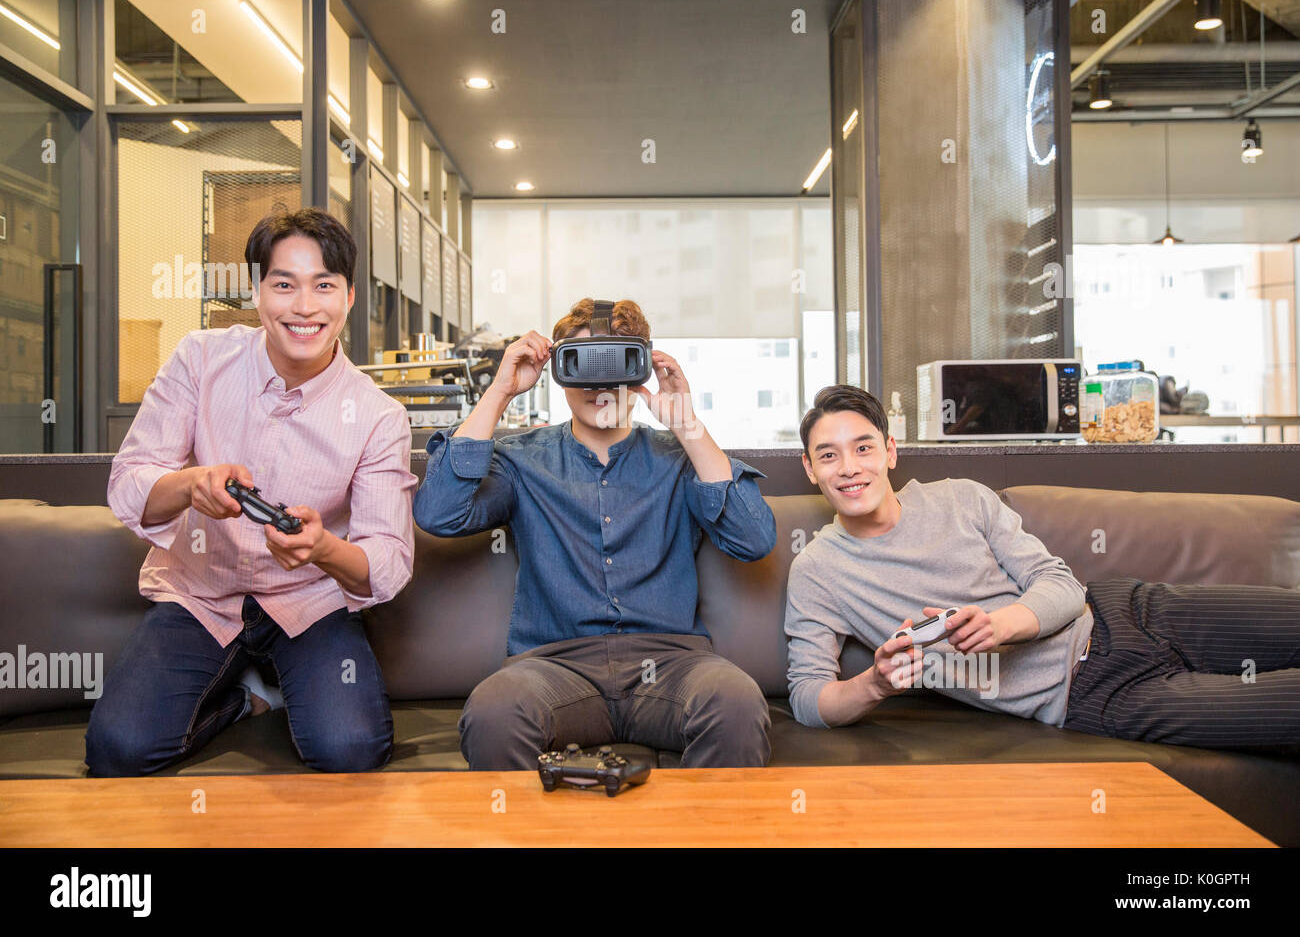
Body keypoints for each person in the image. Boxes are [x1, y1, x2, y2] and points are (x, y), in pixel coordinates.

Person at [784, 384, 1300, 751]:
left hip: (1131, 611)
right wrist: (875, 685)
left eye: (863, 448)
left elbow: (1062, 585)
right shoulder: (818, 572)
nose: (849, 468)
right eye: (828, 456)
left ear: (890, 452)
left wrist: (999, 626)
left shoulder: (963, 499)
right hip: (1094, 692)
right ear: (810, 468)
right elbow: (808, 697)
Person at [88, 208, 417, 776]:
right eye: (284, 284)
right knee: (118, 749)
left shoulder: (378, 416)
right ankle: (245, 700)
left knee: (349, 749)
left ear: (349, 297)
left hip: (310, 600)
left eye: (324, 286)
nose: (304, 307)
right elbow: (129, 482)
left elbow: (387, 560)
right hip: (200, 592)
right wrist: (190, 485)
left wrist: (322, 549)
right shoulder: (199, 359)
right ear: (257, 291)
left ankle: (269, 683)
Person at [414, 298, 777, 769]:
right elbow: (438, 514)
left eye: (616, 365)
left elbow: (754, 540)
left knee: (736, 704)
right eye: (583, 366)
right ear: (559, 371)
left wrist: (687, 425)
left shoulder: (682, 458)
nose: (600, 386)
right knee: (495, 712)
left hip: (671, 664)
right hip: (554, 667)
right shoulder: (521, 460)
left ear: (642, 366)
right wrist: (499, 392)